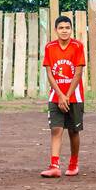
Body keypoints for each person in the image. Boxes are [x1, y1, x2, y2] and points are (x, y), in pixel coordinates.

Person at [40, 15, 86, 178]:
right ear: (56, 30)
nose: (64, 31)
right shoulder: (50, 47)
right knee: (56, 129)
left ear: (71, 29)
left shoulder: (78, 46)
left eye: (67, 28)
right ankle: (54, 166)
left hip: (75, 97)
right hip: (55, 96)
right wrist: (60, 95)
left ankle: (73, 164)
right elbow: (50, 73)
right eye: (61, 28)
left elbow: (78, 73)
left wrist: (67, 96)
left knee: (73, 131)